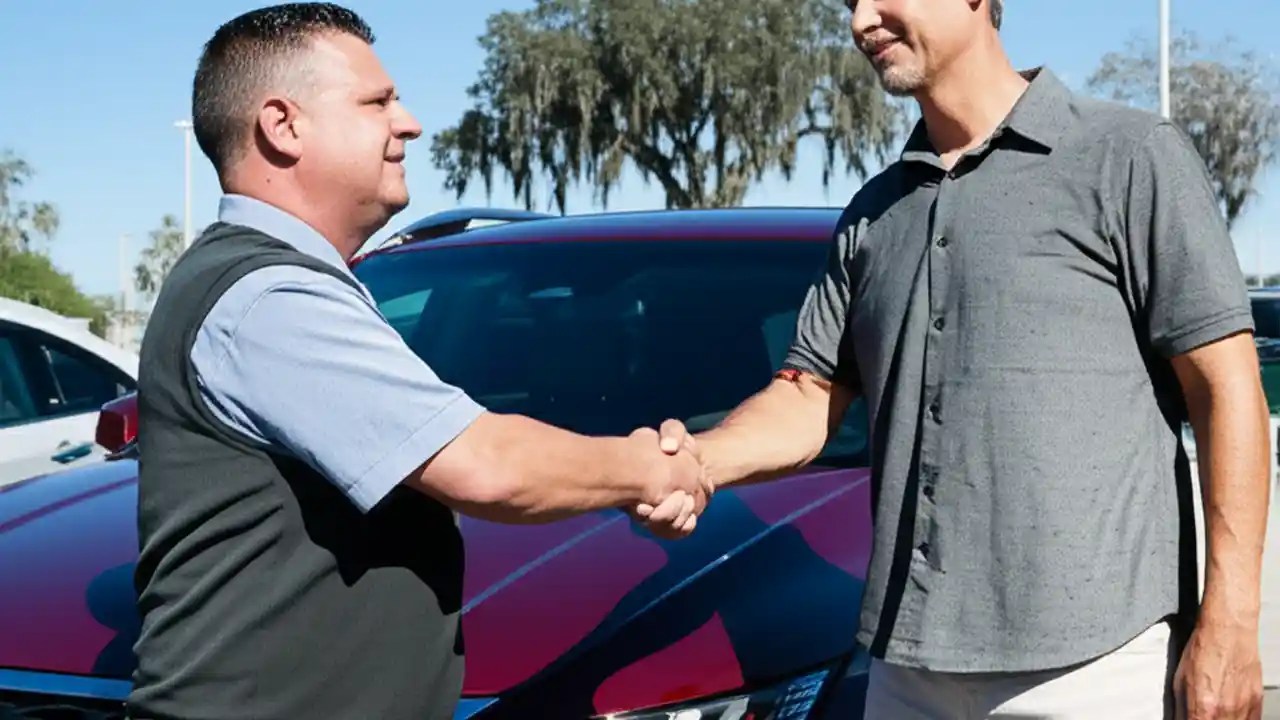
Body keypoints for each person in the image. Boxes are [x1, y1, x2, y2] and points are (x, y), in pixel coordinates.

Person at [648, 0, 1270, 717]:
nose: (859, 21)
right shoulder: (871, 214)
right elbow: (806, 396)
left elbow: (1226, 391)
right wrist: (700, 461)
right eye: (849, 2)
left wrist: (1229, 622)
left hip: (1099, 669)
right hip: (905, 674)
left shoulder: (1130, 156)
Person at [127, 4, 709, 719]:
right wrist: (654, 467)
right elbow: (488, 466)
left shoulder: (269, 283)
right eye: (377, 102)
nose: (409, 123)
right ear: (283, 127)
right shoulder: (268, 297)